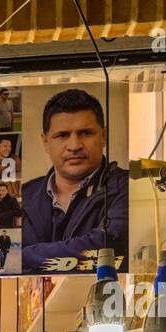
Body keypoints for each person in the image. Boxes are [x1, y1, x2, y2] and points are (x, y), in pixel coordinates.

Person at [21, 88, 130, 273]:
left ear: (103, 136)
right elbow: (6, 262)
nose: (74, 146)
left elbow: (105, 247)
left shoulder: (127, 187)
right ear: (45, 142)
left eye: (86, 133)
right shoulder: (22, 198)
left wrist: (26, 255)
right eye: (62, 135)